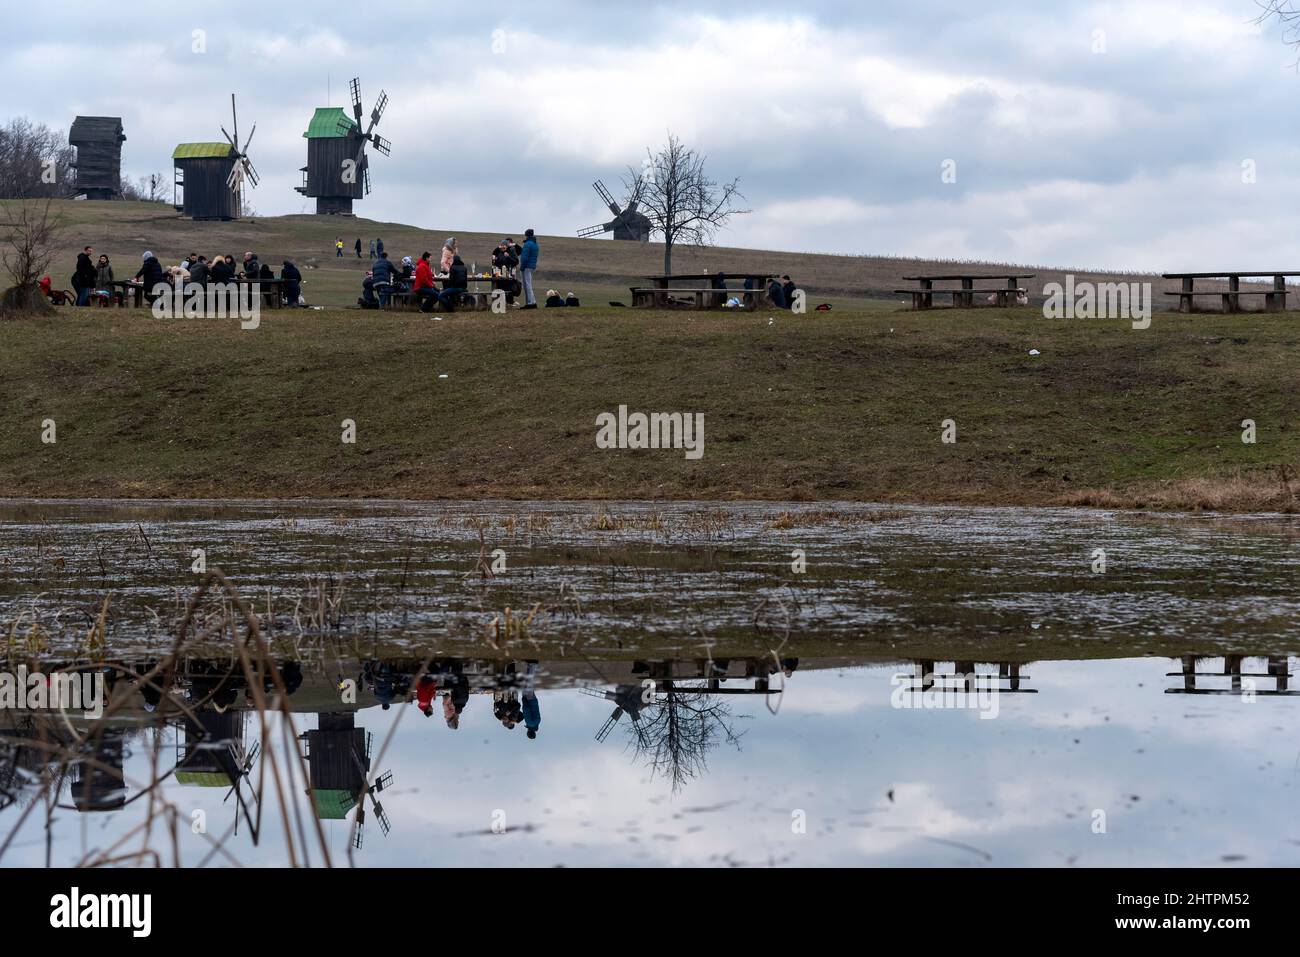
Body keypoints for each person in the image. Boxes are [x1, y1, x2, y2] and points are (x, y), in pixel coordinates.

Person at [519, 228, 539, 308]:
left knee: (527, 285)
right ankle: (532, 302)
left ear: (526, 235)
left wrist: (522, 267)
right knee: (529, 284)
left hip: (526, 266)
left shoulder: (527, 244)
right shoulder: (535, 244)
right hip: (531, 266)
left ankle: (530, 303)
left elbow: (524, 257)